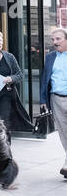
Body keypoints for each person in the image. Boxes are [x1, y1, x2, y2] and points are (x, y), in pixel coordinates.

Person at [44, 26, 67, 180]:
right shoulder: (50, 57)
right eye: (53, 39)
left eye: (58, 39)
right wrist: (43, 100)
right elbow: (45, 79)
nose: (54, 42)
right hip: (56, 99)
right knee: (63, 132)